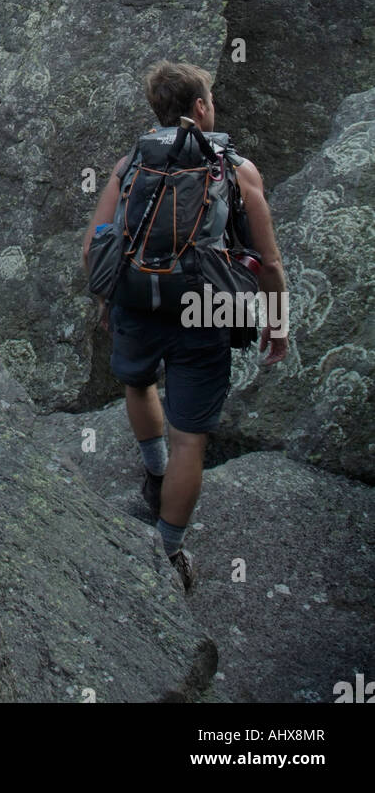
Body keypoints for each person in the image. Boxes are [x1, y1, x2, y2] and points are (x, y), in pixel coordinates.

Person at [82, 60, 288, 592]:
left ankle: (153, 473)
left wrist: (110, 298)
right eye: (211, 99)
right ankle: (168, 553)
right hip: (207, 309)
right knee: (190, 438)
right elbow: (268, 262)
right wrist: (277, 324)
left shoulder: (130, 164)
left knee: (139, 382)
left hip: (137, 301)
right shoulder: (237, 169)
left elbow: (95, 244)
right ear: (200, 107)